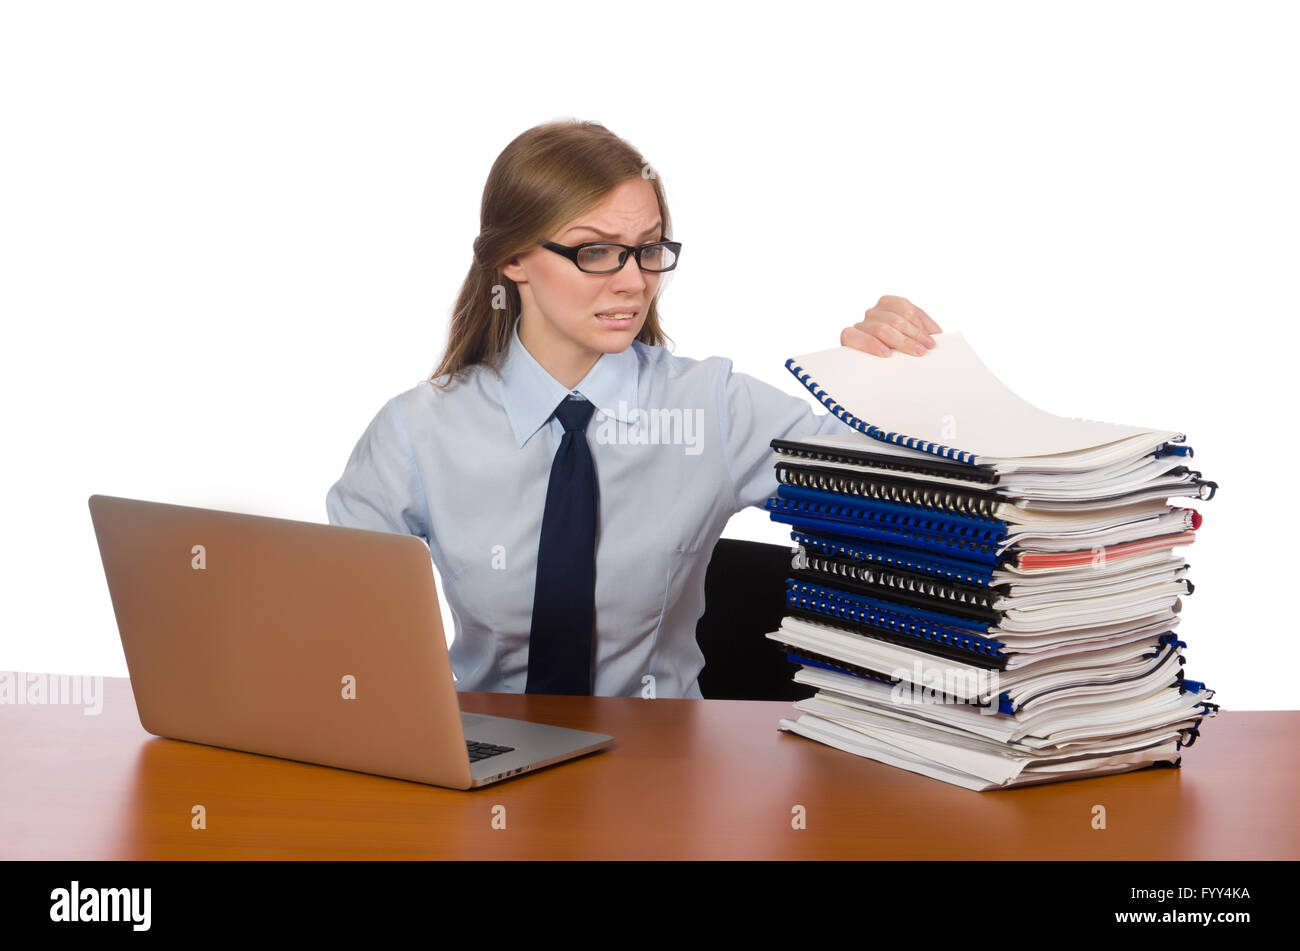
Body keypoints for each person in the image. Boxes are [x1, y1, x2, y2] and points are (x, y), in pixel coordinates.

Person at [325, 119, 943, 699]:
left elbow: (914, 507)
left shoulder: (713, 410)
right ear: (511, 260)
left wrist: (894, 380)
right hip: (485, 763)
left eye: (648, 248)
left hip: (662, 766)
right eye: (593, 251)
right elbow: (346, 645)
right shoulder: (417, 432)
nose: (632, 282)